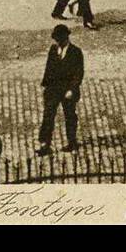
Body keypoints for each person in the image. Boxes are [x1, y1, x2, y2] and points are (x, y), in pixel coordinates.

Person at [36, 23, 84, 157]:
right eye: (56, 40)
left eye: (59, 40)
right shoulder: (53, 50)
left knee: (70, 116)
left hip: (67, 90)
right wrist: (46, 86)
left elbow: (78, 74)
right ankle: (45, 144)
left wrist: (72, 90)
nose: (57, 42)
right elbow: (49, 68)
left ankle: (72, 141)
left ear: (66, 38)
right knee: (48, 116)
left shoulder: (76, 52)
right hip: (53, 89)